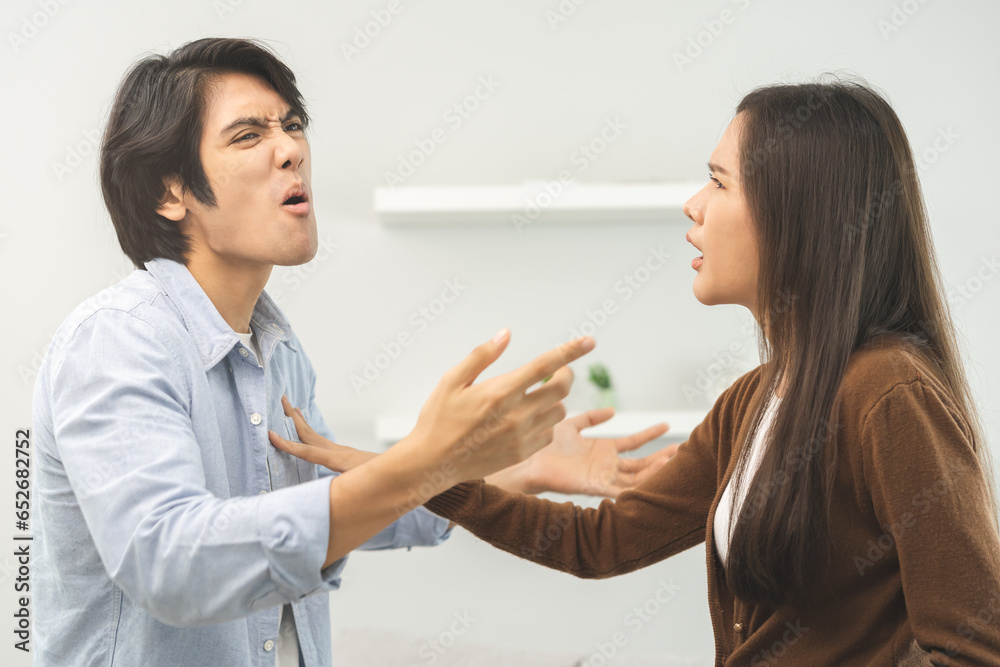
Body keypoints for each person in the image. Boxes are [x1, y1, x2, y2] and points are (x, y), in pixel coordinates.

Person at [276, 77, 1000, 666]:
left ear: (795, 215)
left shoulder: (887, 390)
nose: (693, 205)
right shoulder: (754, 401)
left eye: (718, 183)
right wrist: (417, 473)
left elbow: (973, 646)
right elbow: (601, 544)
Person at [30, 37, 675, 667]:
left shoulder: (276, 348)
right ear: (171, 193)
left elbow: (343, 503)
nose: (291, 150)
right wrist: (431, 457)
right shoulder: (119, 340)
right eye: (249, 135)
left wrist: (494, 469)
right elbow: (173, 565)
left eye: (293, 125)